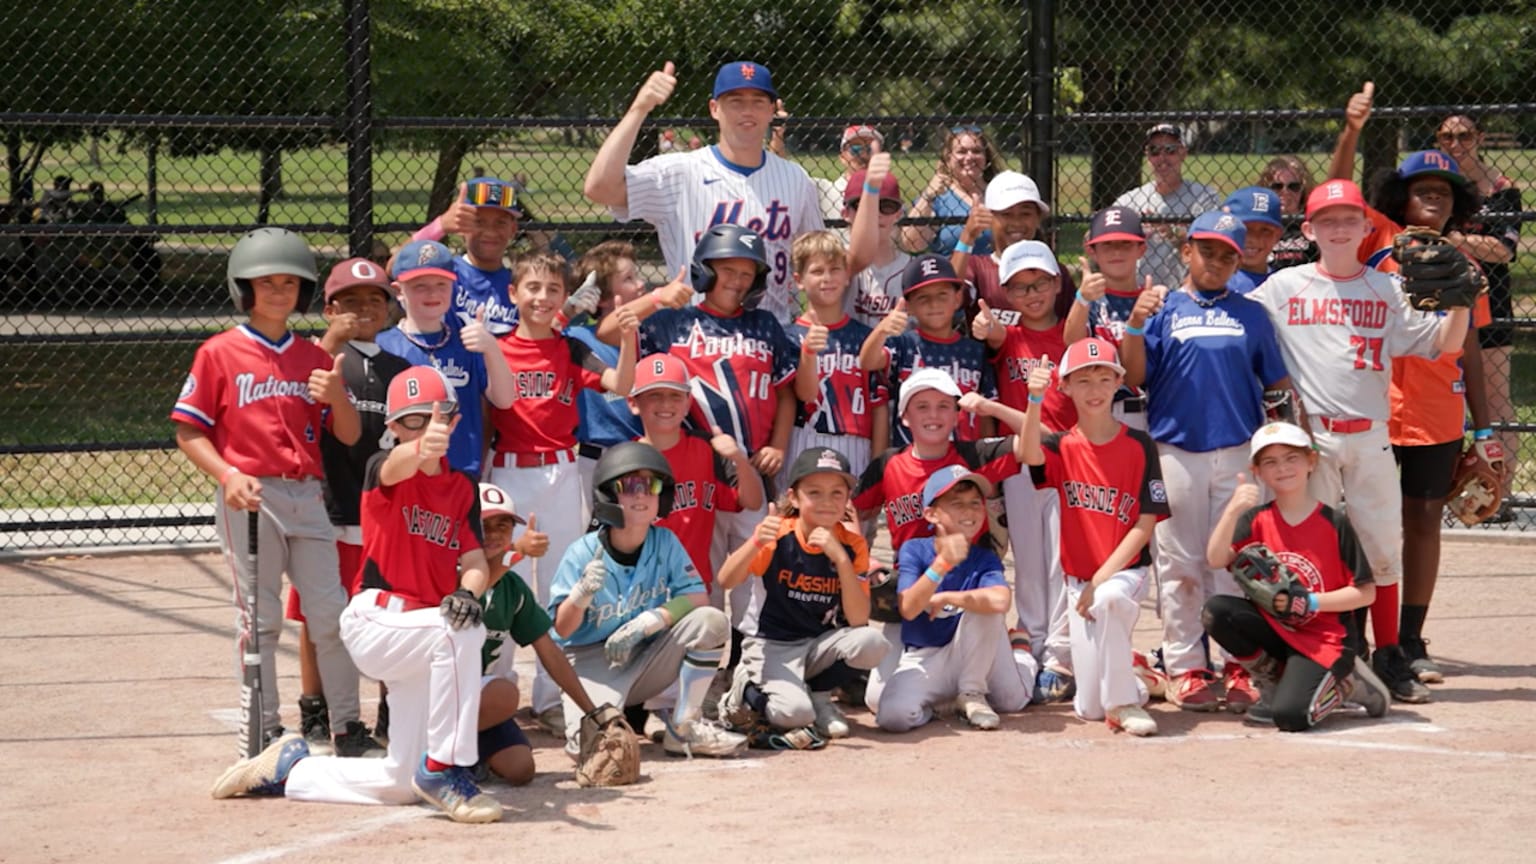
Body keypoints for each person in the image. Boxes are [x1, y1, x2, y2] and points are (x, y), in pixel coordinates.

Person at [212, 366, 502, 825]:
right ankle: (446, 769)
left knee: (400, 784)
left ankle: (291, 770)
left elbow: (475, 561)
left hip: (423, 636)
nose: (428, 427)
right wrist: (418, 449)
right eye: (413, 420)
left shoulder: (461, 486)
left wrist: (469, 592)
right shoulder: (380, 468)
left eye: (439, 416)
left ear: (456, 419)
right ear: (392, 428)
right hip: (376, 619)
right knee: (463, 634)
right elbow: (395, 465)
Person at [1246, 177, 1471, 705]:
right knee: (1316, 552)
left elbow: (1446, 344)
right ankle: (1328, 653)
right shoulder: (1285, 286)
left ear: (1367, 227)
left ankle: (1388, 654)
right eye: (1328, 220)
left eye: (1350, 219)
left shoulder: (1387, 289)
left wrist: (1461, 302)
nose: (1340, 228)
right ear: (1309, 230)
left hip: (1370, 436)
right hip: (1311, 441)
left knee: (1380, 548)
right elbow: (1240, 322)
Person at [1329, 84, 1497, 695]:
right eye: (1423, 190)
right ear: (1401, 198)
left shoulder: (1464, 268)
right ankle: (1353, 634)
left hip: (1434, 409)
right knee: (1358, 522)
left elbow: (1472, 347)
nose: (1433, 199)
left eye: (1444, 193)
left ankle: (1410, 639)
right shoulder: (1375, 237)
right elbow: (1336, 191)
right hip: (1370, 404)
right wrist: (1350, 130)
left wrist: (1485, 428)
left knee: (1423, 519)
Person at [172, 227, 363, 755]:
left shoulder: (312, 357)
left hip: (307, 497)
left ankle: (347, 726)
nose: (279, 292)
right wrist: (228, 475)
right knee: (260, 619)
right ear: (244, 289)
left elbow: (346, 435)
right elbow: (189, 430)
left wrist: (336, 395)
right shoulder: (219, 353)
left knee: (331, 613)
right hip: (251, 498)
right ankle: (262, 730)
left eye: (289, 283)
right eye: (266, 282)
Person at [1118, 211, 1295, 714]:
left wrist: (1281, 450)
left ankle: (1240, 662)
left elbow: (1276, 385)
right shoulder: (1163, 308)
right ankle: (1187, 665)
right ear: (1186, 251)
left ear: (1239, 260)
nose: (1215, 261)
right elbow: (1135, 375)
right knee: (1179, 564)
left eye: (1227, 254)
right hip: (1176, 448)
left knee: (1235, 562)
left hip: (1239, 450)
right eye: (1207, 250)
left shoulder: (1251, 313)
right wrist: (1135, 322)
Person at [598, 224, 797, 626]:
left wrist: (777, 444)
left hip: (751, 466)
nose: (737, 281)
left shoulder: (764, 325)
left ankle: (741, 661)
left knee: (751, 574)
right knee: (700, 565)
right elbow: (607, 331)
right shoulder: (672, 322)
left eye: (747, 273)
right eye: (727, 270)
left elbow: (786, 392)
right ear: (705, 270)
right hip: (697, 466)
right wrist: (656, 298)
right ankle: (699, 650)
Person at [485, 252, 637, 736]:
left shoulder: (571, 348)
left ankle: (551, 700)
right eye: (532, 288)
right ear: (513, 294)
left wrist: (630, 338)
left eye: (553, 289)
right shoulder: (496, 348)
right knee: (500, 577)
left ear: (564, 296)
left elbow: (622, 384)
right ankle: (495, 687)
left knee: (561, 584)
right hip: (508, 472)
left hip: (560, 470)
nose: (542, 298)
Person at [583, 60, 825, 326]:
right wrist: (640, 109)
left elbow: (816, 260)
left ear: (771, 110)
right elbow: (599, 188)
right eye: (735, 101)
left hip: (773, 338)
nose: (748, 111)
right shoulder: (680, 172)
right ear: (714, 109)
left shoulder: (796, 179)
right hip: (694, 340)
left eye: (758, 101)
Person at [547, 442, 749, 758]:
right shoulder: (582, 552)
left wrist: (649, 621)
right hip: (590, 663)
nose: (642, 494)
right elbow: (563, 629)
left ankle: (683, 729)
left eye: (651, 486)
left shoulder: (665, 541)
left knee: (711, 620)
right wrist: (580, 595)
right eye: (630, 486)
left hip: (644, 653)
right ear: (609, 494)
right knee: (590, 750)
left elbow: (697, 597)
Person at [852, 370, 1031, 712]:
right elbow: (848, 511)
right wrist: (865, 561)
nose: (933, 415)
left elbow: (1039, 442)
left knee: (1012, 700)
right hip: (912, 593)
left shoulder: (973, 453)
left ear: (957, 414)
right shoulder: (889, 463)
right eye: (921, 406)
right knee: (877, 702)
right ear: (904, 415)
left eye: (943, 406)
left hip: (967, 582)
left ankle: (1017, 652)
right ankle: (944, 690)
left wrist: (993, 409)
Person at [1021, 338, 1170, 737]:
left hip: (1124, 573)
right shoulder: (1062, 445)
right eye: (1083, 380)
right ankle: (1134, 677)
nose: (1095, 389)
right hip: (1078, 581)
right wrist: (1034, 400)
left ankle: (1123, 703)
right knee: (1088, 708)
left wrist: (1101, 578)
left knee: (1110, 600)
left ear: (1119, 382)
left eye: (1105, 378)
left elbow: (1146, 523)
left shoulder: (1139, 444)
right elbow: (1029, 453)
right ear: (1065, 387)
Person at [286, 257, 405, 755]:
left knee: (390, 611)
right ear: (329, 308)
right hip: (331, 506)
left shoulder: (400, 367)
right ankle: (316, 709)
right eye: (349, 302)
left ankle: (391, 710)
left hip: (381, 509)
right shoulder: (315, 360)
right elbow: (296, 402)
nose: (362, 310)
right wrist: (330, 343)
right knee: (320, 617)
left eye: (373, 300)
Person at [1203, 422, 1391, 730]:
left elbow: (1365, 593)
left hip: (1327, 640)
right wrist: (1234, 509)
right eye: (1270, 462)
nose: (1283, 468)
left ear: (1311, 462)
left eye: (1292, 458)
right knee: (1218, 611)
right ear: (1258, 471)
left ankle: (1349, 685)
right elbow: (1215, 558)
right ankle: (1273, 680)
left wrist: (1309, 601)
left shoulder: (1334, 522)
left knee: (1290, 717)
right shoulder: (1256, 519)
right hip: (1278, 632)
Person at [715, 448, 887, 743]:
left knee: (872, 643)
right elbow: (726, 579)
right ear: (794, 497)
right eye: (814, 493)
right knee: (795, 715)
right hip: (771, 645)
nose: (827, 502)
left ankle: (818, 695)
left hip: (816, 644)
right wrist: (755, 541)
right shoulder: (779, 533)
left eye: (837, 493)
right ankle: (745, 689)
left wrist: (841, 560)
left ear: (847, 498)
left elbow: (859, 618)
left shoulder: (850, 543)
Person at [970, 240, 1075, 695]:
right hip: (1018, 462)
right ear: (1008, 296)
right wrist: (986, 326)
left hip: (1066, 462)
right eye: (1020, 288)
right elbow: (993, 336)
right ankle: (1032, 643)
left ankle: (1060, 652)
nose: (1032, 295)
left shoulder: (1071, 337)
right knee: (1030, 562)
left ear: (1056, 283)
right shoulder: (1010, 337)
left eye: (1040, 284)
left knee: (1061, 561)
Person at [876, 465, 1036, 732]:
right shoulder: (915, 549)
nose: (970, 511)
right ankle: (946, 701)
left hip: (976, 655)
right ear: (931, 514)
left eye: (975, 503)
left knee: (1012, 701)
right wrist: (942, 564)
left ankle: (1017, 655)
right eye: (957, 503)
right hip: (928, 656)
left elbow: (1000, 602)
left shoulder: (984, 556)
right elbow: (908, 608)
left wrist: (951, 597)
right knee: (894, 717)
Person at [474, 482, 600, 785]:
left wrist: (592, 712)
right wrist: (516, 552)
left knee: (520, 769)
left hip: (479, 706)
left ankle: (468, 756)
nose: (493, 534)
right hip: (440, 698)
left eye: (502, 526)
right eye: (484, 525)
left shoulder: (513, 588)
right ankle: (440, 757)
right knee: (505, 694)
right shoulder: (450, 569)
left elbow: (551, 654)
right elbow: (481, 581)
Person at [1434, 113, 1522, 520]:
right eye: (1447, 137)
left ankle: (1497, 493)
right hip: (1443, 302)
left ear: (1480, 137)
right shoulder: (1441, 188)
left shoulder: (1502, 189)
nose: (1456, 144)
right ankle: (1454, 489)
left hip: (1493, 303)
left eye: (1464, 136)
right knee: (1446, 398)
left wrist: (1456, 239)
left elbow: (1504, 249)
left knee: (1496, 398)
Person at [375, 239, 515, 478]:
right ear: (399, 291)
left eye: (442, 284)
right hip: (406, 475)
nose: (432, 293)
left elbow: (504, 400)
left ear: (454, 287)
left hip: (461, 474)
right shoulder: (384, 345)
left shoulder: (467, 339)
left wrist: (491, 348)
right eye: (420, 286)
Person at [630, 353, 762, 590]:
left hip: (694, 586)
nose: (666, 404)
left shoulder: (705, 448)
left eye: (675, 396)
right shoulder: (625, 461)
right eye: (654, 395)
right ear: (633, 403)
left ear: (689, 402)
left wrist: (738, 460)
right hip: (640, 589)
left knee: (712, 623)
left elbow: (751, 502)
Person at [859, 254, 998, 447]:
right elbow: (867, 361)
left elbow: (985, 416)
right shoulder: (903, 345)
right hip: (913, 457)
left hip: (965, 457)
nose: (934, 304)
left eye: (942, 295)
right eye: (923, 298)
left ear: (957, 298)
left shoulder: (974, 351)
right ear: (909, 306)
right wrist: (882, 329)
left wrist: (987, 460)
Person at [788, 230, 890, 486]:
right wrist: (808, 353)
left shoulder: (864, 337)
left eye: (835, 269)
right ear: (798, 280)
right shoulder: (788, 336)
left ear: (847, 276)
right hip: (804, 436)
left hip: (856, 442)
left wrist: (878, 465)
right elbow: (802, 395)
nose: (827, 278)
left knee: (855, 522)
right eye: (817, 271)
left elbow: (878, 407)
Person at [1063, 205, 1156, 431]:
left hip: (1155, 409)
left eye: (1125, 244)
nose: (1116, 252)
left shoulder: (1155, 298)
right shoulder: (1090, 301)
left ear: (1141, 249)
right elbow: (1071, 343)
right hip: (1106, 410)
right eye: (1107, 245)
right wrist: (1082, 299)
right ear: (1092, 250)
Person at [952, 170, 1078, 325]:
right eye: (1006, 214)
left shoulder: (1055, 272)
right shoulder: (977, 268)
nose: (1017, 223)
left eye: (1025, 214)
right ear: (989, 217)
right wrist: (968, 237)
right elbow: (951, 301)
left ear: (1038, 218)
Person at [1113, 124, 1223, 291]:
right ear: (1147, 156)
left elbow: (1214, 250)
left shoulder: (1204, 198)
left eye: (1170, 150)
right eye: (1154, 151)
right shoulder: (1129, 201)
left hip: (1189, 293)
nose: (1162, 158)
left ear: (1183, 153)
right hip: (1139, 294)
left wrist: (1171, 233)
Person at [903, 125, 1006, 257]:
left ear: (986, 157)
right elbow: (912, 244)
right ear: (948, 158)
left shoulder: (1000, 192)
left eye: (976, 151)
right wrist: (928, 197)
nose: (969, 157)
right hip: (952, 274)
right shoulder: (939, 198)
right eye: (961, 151)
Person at [843, 147, 912, 328]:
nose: (875, 213)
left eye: (887, 206)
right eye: (863, 205)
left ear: (898, 214)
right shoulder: (836, 264)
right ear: (845, 213)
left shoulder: (912, 269)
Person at [1256, 155, 1317, 271]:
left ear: (1303, 189)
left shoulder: (1312, 222)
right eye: (1277, 186)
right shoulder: (1258, 223)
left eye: (1294, 186)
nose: (1285, 192)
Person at [1222, 186, 1287, 294]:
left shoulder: (1283, 284)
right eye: (1245, 229)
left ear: (1277, 235)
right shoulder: (1216, 282)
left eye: (1265, 230)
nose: (1254, 238)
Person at [814, 124, 883, 225]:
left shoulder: (889, 193)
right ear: (843, 158)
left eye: (870, 149)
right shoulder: (825, 191)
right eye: (856, 149)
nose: (863, 155)